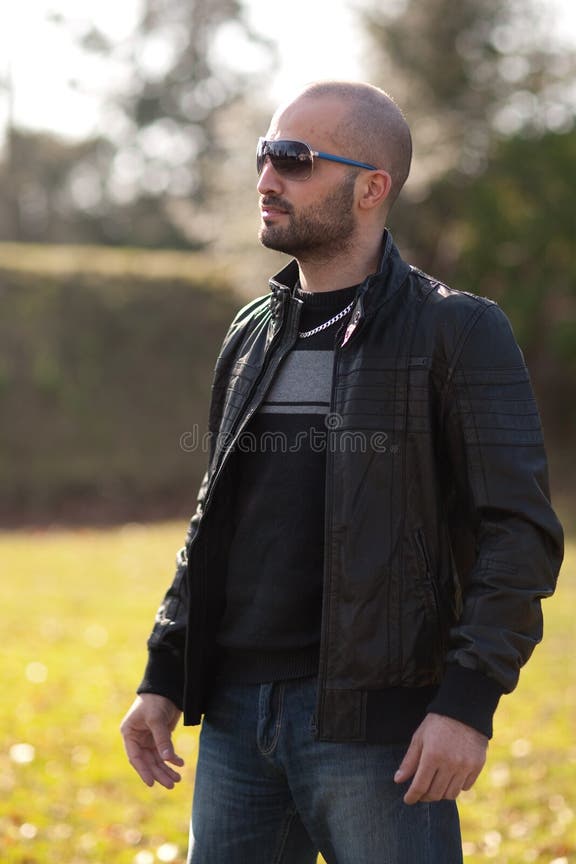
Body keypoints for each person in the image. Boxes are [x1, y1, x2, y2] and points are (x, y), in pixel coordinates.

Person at [120, 81, 564, 864]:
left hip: (378, 733)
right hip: (231, 723)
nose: (266, 179)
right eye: (264, 155)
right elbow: (213, 518)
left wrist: (467, 704)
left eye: (293, 159)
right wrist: (164, 671)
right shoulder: (252, 332)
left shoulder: (457, 329)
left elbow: (518, 533)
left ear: (371, 187)